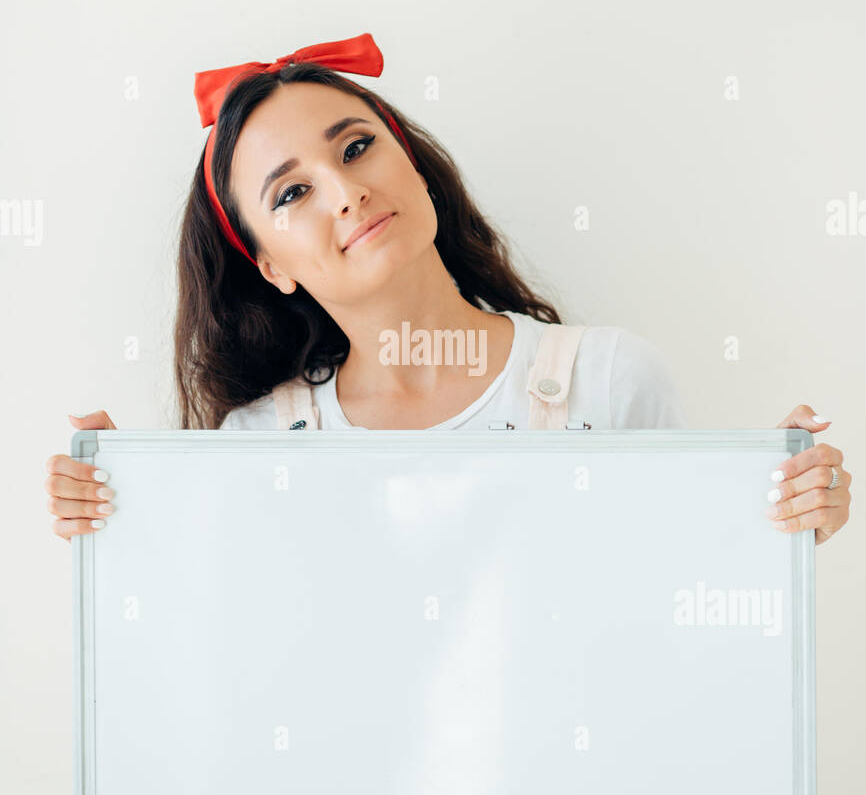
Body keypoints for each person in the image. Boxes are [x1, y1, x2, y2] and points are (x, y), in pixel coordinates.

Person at [45, 33, 852, 543]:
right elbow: (226, 658)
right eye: (292, 193)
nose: (344, 191)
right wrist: (121, 510)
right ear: (270, 266)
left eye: (356, 148)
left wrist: (774, 511)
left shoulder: (609, 380)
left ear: (413, 166)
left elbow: (684, 604)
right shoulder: (256, 444)